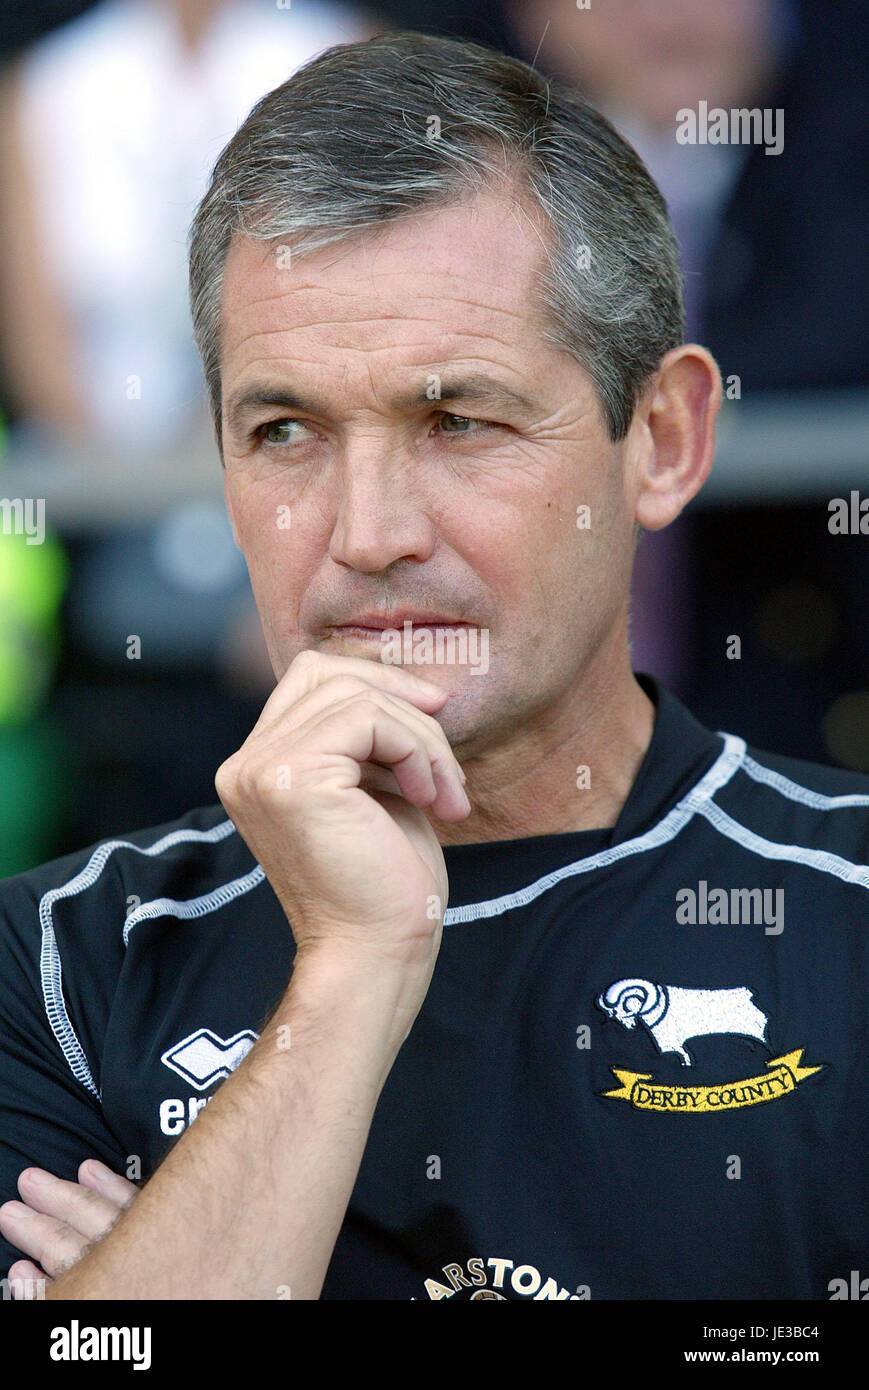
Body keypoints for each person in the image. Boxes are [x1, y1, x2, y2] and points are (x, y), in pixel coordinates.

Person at [1, 31, 867, 1301]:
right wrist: (351, 970)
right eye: (284, 429)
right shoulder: (64, 962)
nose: (366, 534)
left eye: (456, 420)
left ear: (665, 441)